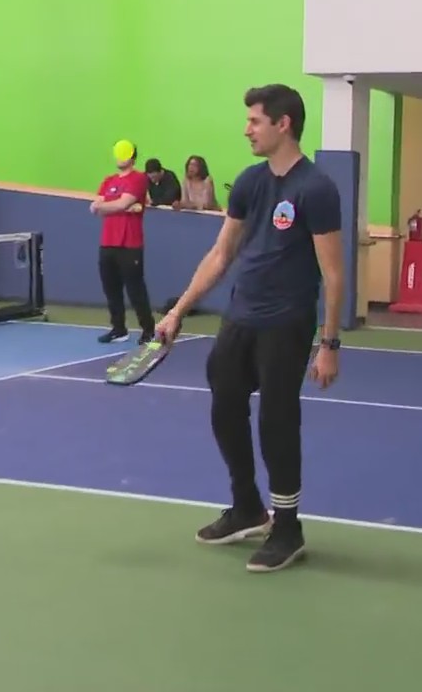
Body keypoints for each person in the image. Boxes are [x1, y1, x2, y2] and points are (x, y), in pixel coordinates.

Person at [155, 84, 345, 573]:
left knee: (277, 423)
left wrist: (329, 344)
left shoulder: (316, 189)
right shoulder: (248, 181)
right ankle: (246, 506)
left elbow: (334, 272)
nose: (246, 129)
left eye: (255, 121)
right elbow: (222, 254)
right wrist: (179, 310)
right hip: (239, 318)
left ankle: (288, 527)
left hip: (286, 324)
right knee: (224, 407)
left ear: (283, 124)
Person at [90, 139, 156, 345]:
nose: (121, 157)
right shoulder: (108, 181)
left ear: (132, 157)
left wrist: (114, 206)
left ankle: (148, 330)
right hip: (107, 243)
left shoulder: (138, 179)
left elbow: (122, 203)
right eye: (118, 153)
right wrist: (115, 206)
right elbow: (94, 208)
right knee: (111, 289)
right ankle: (118, 329)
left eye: (125, 153)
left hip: (130, 244)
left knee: (135, 289)